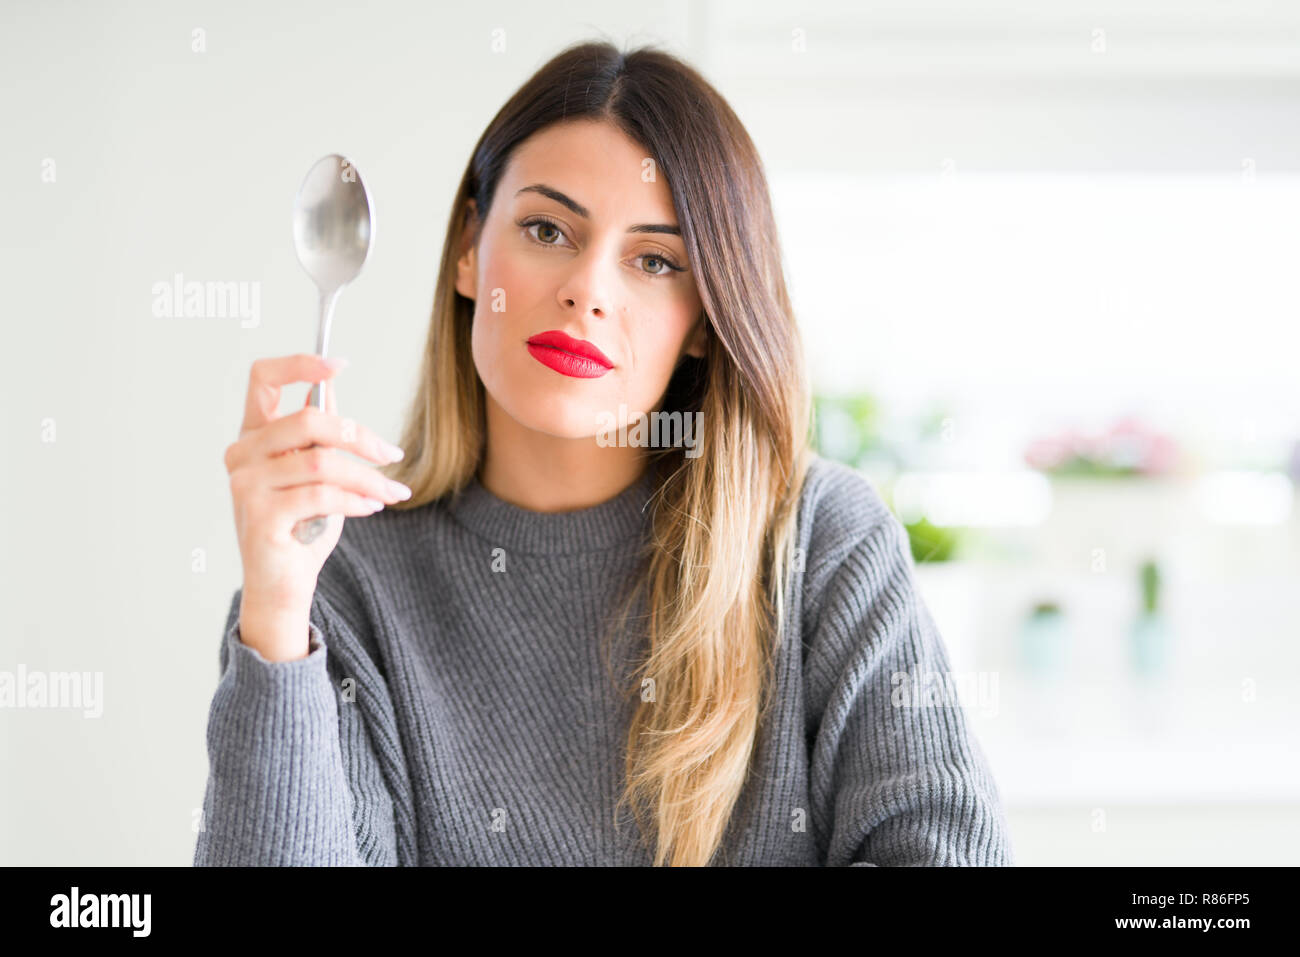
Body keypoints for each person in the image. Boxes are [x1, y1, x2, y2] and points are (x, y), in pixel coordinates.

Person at [195, 40, 1013, 867]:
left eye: (654, 261)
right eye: (548, 229)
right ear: (470, 250)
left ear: (702, 320)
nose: (588, 288)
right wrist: (274, 620)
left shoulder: (821, 543)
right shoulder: (337, 582)